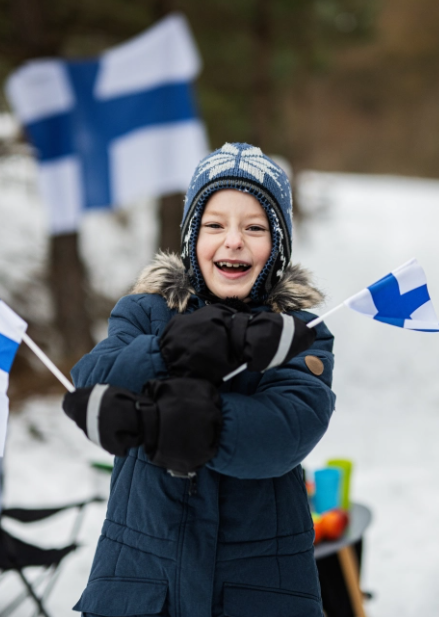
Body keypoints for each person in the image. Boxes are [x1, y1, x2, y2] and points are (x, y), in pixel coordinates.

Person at [61, 142, 336, 617]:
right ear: (191, 238)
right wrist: (167, 348)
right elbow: (95, 383)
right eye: (215, 225)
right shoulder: (145, 312)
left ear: (278, 246)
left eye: (254, 227)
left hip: (259, 588)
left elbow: (288, 427)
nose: (233, 241)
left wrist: (186, 424)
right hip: (142, 585)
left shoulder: (295, 333)